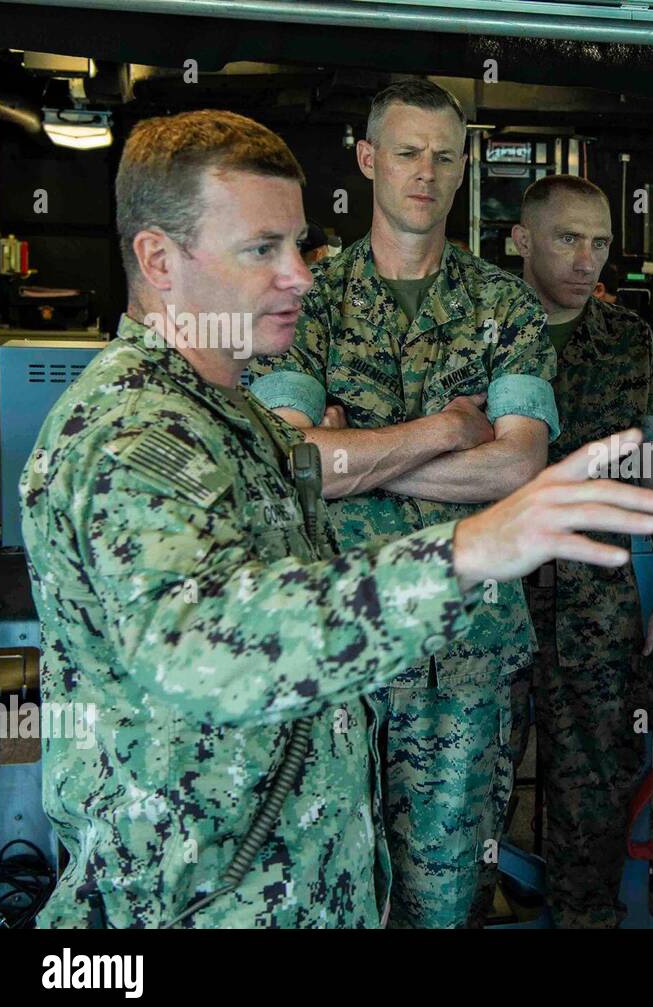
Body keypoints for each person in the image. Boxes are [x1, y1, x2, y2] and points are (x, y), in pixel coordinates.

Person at [19, 108, 653, 929]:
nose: (299, 275)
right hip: (197, 895)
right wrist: (465, 545)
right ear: (158, 260)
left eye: (296, 244)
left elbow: (347, 470)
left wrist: (366, 462)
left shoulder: (229, 422)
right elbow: (203, 646)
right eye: (263, 250)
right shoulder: (138, 432)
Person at [247, 78, 560, 928]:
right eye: (408, 152)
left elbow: (518, 469)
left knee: (446, 895)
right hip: (337, 644)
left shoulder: (504, 306)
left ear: (463, 170)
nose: (426, 172)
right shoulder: (309, 298)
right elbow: (291, 460)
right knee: (327, 886)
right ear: (367, 160)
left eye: (444, 156)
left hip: (467, 650)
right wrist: (450, 429)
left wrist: (363, 453)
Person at [495, 175, 653, 927]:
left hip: (597, 604)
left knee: (596, 797)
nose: (586, 260)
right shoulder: (482, 328)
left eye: (600, 241)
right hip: (491, 598)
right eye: (567, 239)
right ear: (521, 239)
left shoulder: (627, 340)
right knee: (465, 787)